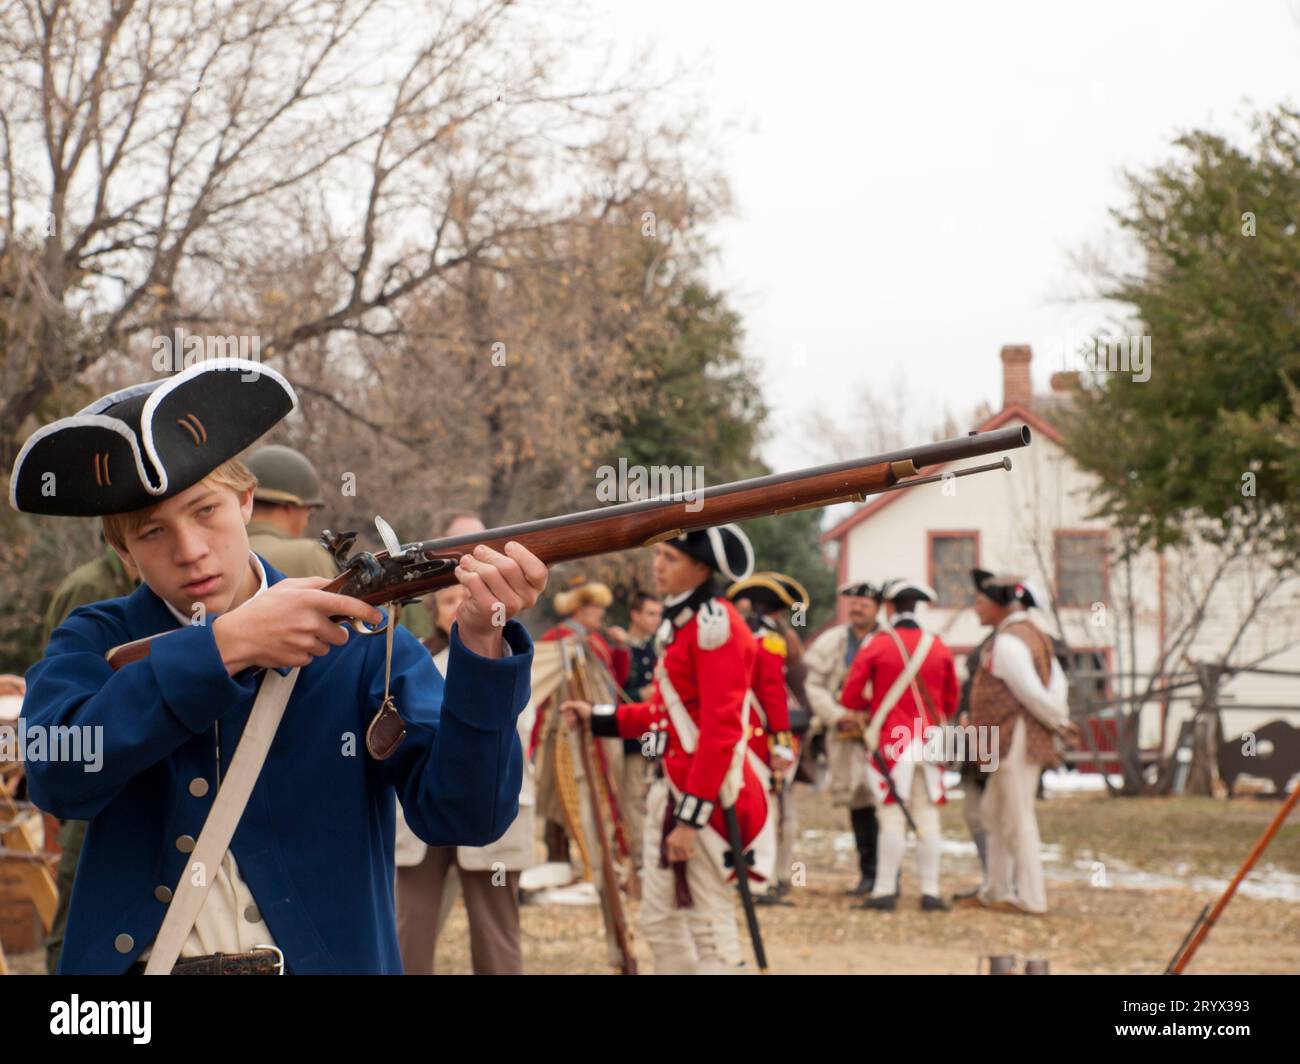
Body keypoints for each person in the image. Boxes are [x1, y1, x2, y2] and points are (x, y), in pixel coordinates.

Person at [12, 358, 547, 974]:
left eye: (205, 510)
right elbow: (56, 776)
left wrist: (482, 642)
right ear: (123, 551)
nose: (190, 551)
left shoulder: (361, 635)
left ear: (245, 500)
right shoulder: (96, 637)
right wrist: (225, 648)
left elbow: (466, 816)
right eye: (153, 532)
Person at [562, 524, 775, 975]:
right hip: (674, 793)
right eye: (658, 555)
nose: (657, 565)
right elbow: (664, 714)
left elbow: (720, 731)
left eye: (669, 558)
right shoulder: (684, 624)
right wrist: (598, 716)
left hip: (707, 801)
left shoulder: (716, 628)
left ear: (700, 568)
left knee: (710, 930)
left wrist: (690, 820)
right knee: (660, 923)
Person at [394, 579, 535, 974]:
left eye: (465, 597)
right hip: (418, 810)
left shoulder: (508, 655)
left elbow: (520, 729)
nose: (457, 605)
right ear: (435, 611)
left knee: (497, 932)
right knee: (409, 930)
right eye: (448, 599)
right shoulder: (415, 660)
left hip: (490, 804)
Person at [39, 540, 141, 973]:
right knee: (79, 893)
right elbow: (63, 682)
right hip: (96, 760)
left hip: (131, 760)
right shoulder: (90, 589)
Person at [840, 579, 958, 912]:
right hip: (929, 740)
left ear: (889, 607)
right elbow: (951, 699)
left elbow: (851, 696)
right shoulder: (938, 645)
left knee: (891, 815)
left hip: (892, 742)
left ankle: (884, 891)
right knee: (927, 815)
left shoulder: (876, 644)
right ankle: (931, 891)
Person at [961, 570, 1071, 916]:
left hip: (1014, 738)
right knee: (994, 812)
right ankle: (996, 890)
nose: (976, 609)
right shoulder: (1035, 636)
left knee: (1019, 816)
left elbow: (1032, 693)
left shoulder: (1010, 641)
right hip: (1009, 737)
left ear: (1001, 605)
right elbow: (1058, 685)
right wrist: (1057, 717)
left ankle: (1032, 899)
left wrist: (1059, 722)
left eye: (981, 602)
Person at [725, 571, 805, 903]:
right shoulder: (770, 640)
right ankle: (763, 879)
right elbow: (773, 694)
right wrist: (782, 742)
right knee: (766, 808)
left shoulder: (738, 631)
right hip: (759, 733)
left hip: (738, 727)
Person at [803, 581, 885, 895]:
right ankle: (868, 872)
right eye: (853, 603)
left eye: (864, 603)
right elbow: (815, 686)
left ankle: (884, 875)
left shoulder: (887, 641)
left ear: (876, 607)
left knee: (884, 801)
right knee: (857, 799)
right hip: (844, 730)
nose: (857, 608)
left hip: (879, 731)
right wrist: (838, 715)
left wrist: (873, 718)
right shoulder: (833, 641)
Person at [242, 444, 337, 579]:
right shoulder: (309, 556)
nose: (305, 523)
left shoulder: (216, 559)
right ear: (288, 506)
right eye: (307, 511)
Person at [620, 590, 662, 873]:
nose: (656, 620)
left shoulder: (656, 648)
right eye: (650, 613)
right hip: (630, 735)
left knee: (654, 798)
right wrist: (639, 694)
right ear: (635, 615)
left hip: (654, 734)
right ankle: (639, 862)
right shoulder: (623, 648)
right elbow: (615, 689)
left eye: (659, 614)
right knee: (633, 799)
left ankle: (653, 858)